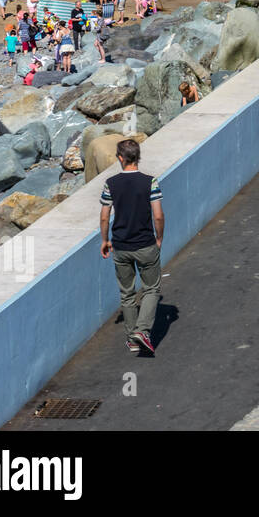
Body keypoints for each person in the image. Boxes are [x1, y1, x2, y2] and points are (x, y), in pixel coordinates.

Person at [99, 139, 164, 356]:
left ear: (120, 158)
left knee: (127, 294)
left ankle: (132, 340)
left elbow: (104, 216)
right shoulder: (150, 182)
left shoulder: (111, 183)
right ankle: (142, 331)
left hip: (120, 246)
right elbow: (158, 215)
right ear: (138, 157)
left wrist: (105, 240)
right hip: (145, 244)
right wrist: (159, 238)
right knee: (151, 289)